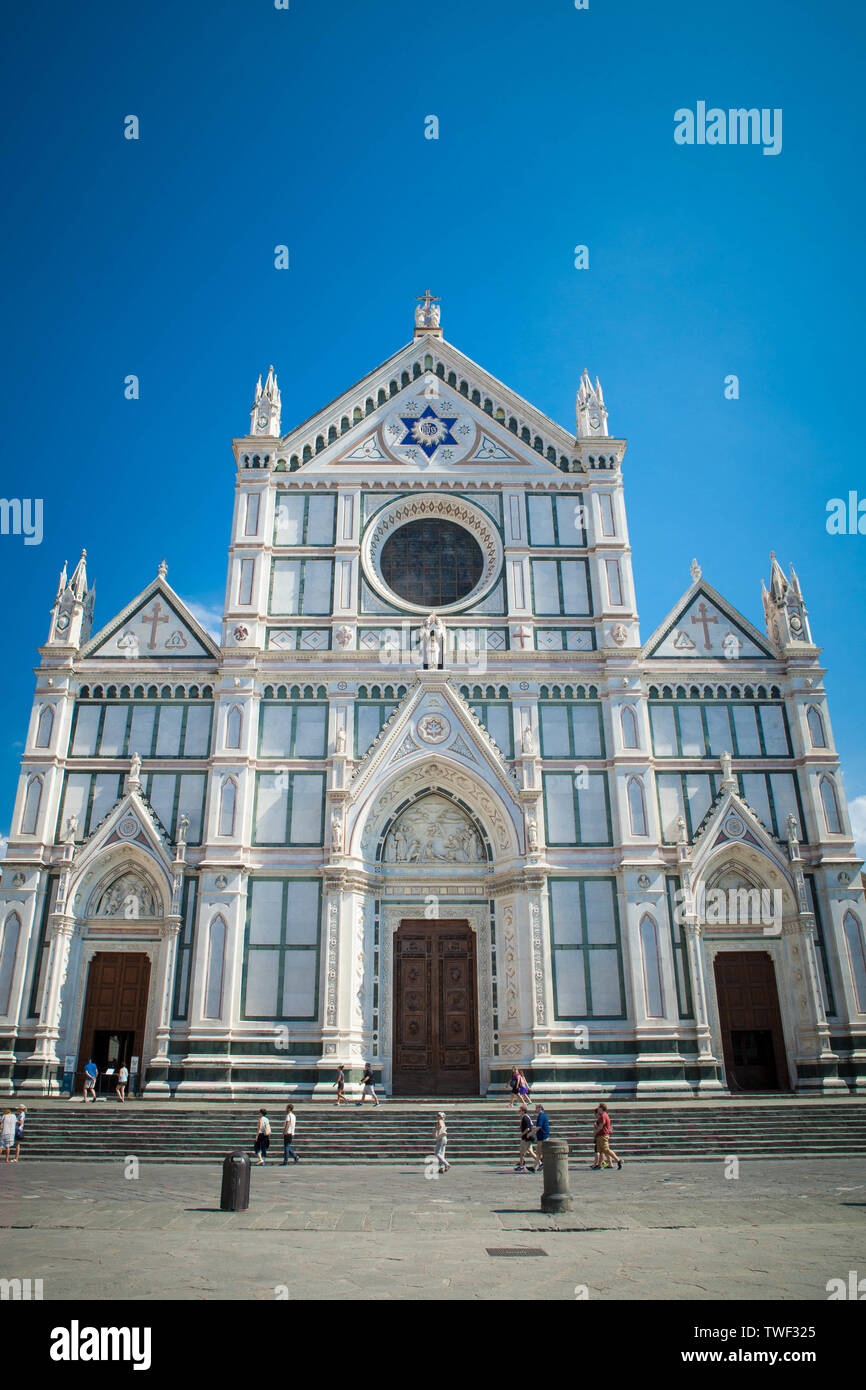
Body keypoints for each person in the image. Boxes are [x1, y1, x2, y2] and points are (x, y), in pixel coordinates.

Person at [592, 1102, 622, 1170]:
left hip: (603, 1135)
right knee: (601, 1151)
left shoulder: (603, 1116)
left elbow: (601, 1126)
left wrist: (595, 1132)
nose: (598, 1108)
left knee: (606, 1149)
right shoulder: (603, 1115)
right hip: (601, 1135)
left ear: (602, 1108)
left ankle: (618, 1160)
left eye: (599, 1107)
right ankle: (599, 1165)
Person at [514, 1104, 537, 1172]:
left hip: (526, 1138)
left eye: (520, 1111)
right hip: (527, 1138)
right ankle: (540, 1162)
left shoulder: (525, 1118)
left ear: (523, 1111)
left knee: (522, 1152)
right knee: (530, 1151)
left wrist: (522, 1134)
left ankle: (521, 1166)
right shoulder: (525, 1117)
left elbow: (527, 1128)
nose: (519, 1112)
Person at [533, 1104, 550, 1172]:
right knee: (539, 1153)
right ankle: (537, 1166)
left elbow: (539, 1126)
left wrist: (532, 1133)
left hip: (542, 1137)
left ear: (540, 1108)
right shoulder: (543, 1115)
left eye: (536, 1108)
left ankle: (535, 1167)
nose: (535, 1110)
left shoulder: (541, 1116)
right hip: (543, 1136)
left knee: (539, 1153)